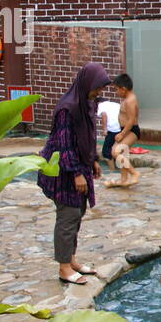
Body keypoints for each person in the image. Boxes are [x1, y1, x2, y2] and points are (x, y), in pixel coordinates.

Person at [37, 62, 111, 284]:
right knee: (67, 216)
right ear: (87, 83)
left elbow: (88, 136)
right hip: (63, 171)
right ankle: (63, 268)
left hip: (80, 166)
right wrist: (77, 173)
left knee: (77, 213)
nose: (99, 92)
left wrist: (94, 160)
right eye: (97, 87)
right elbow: (64, 144)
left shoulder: (87, 104)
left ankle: (71, 259)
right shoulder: (66, 109)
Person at [104, 73, 142, 188]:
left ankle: (134, 173)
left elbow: (131, 120)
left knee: (115, 151)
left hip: (131, 131)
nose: (116, 92)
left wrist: (122, 133)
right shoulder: (127, 98)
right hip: (125, 130)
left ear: (123, 89)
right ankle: (123, 179)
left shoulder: (130, 100)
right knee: (122, 153)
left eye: (116, 90)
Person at [97, 97, 122, 173]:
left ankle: (112, 170)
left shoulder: (101, 105)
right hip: (122, 128)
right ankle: (122, 170)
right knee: (117, 149)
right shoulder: (116, 104)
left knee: (106, 151)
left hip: (112, 129)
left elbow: (104, 116)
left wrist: (104, 129)